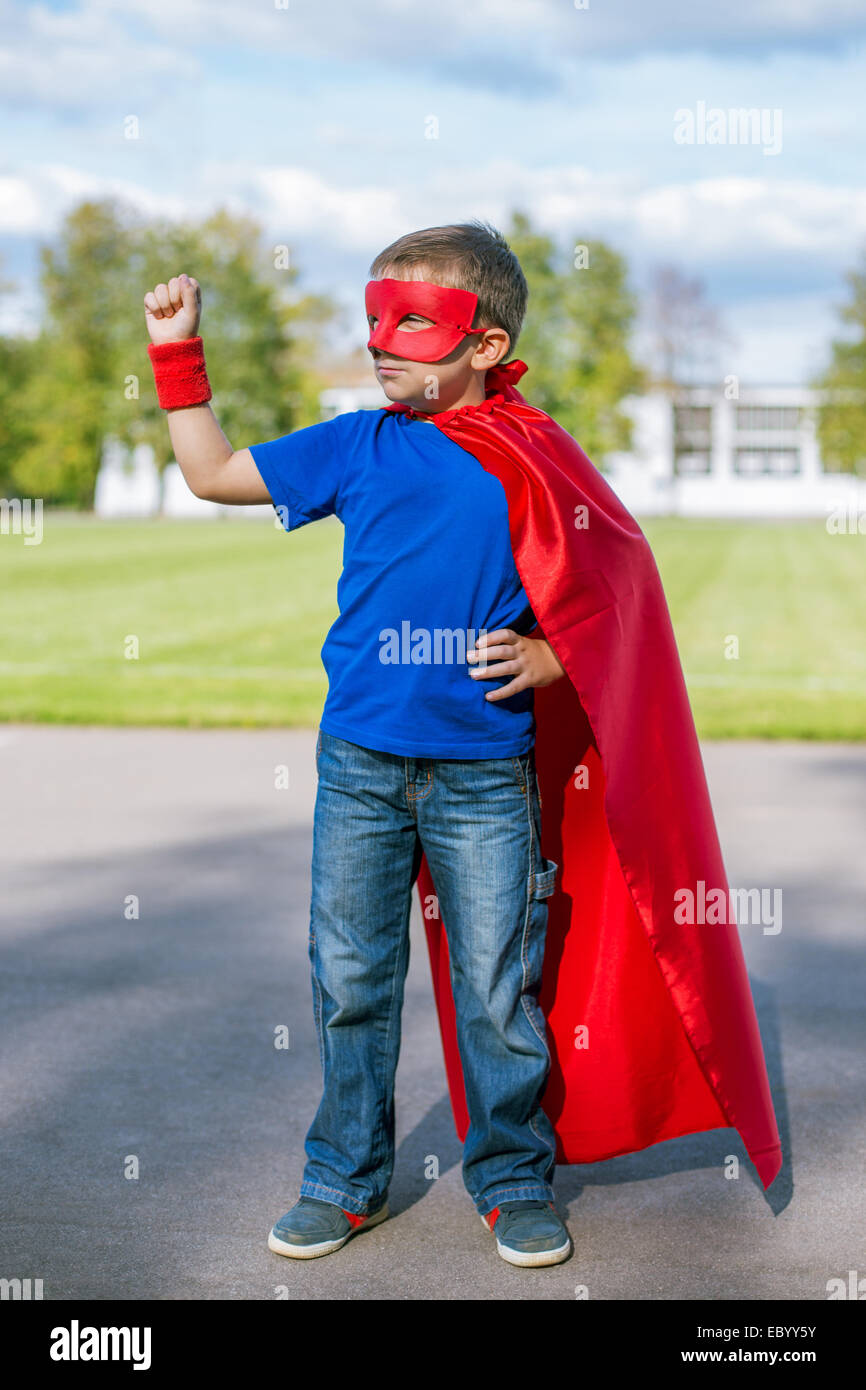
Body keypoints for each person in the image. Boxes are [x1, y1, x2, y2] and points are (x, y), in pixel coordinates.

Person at [143, 221, 575, 1268]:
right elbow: (209, 473)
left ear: (484, 343)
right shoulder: (354, 443)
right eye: (374, 320)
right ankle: (343, 1177)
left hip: (484, 771)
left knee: (495, 986)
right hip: (360, 767)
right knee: (349, 978)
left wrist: (551, 659)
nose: (382, 342)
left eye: (412, 323)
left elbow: (613, 601)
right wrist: (176, 351)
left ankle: (511, 1174)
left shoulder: (538, 454)